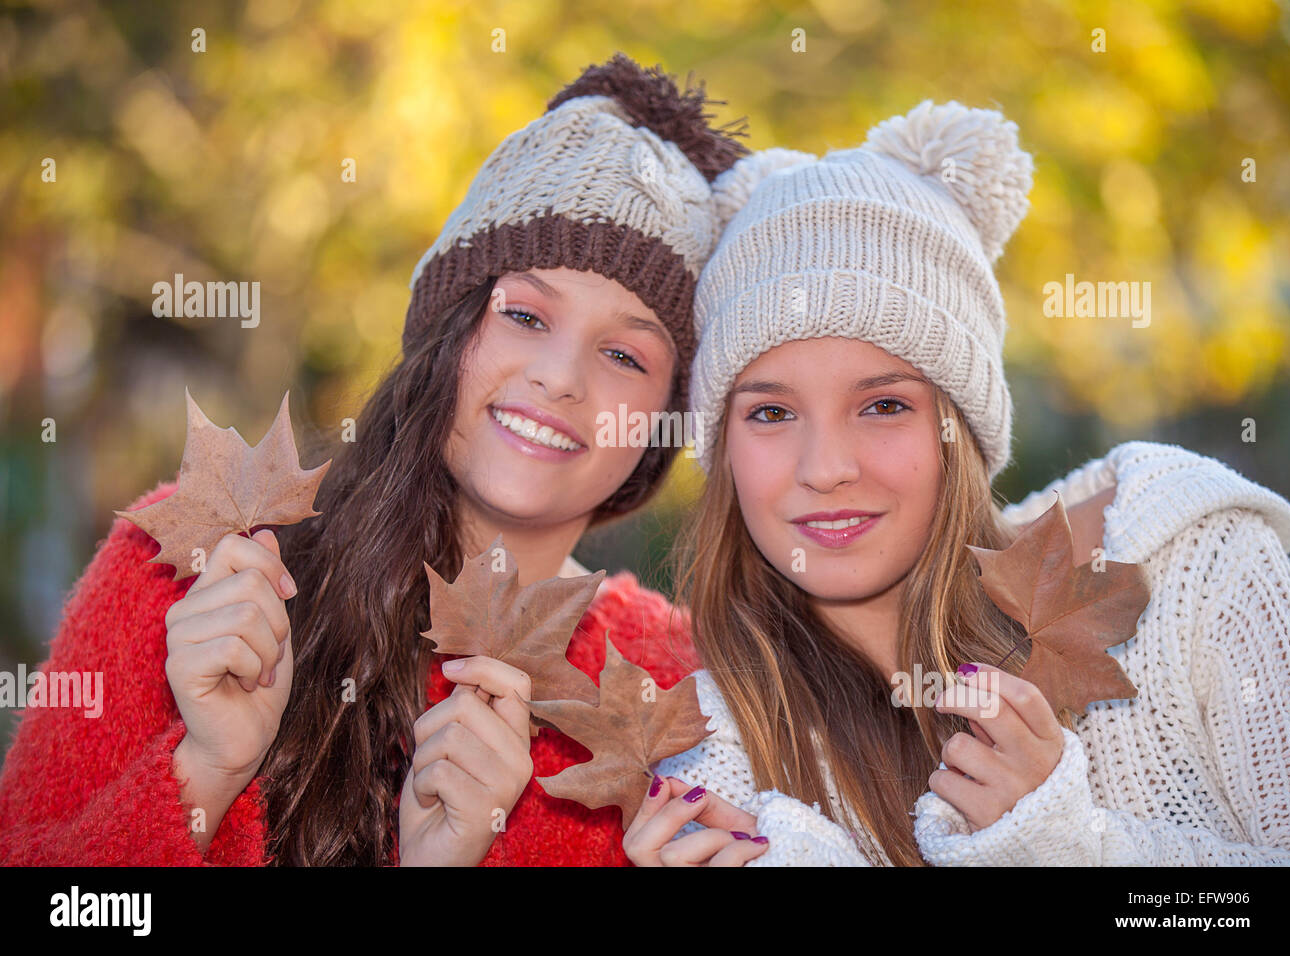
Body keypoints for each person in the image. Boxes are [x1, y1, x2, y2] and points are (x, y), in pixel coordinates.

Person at [0, 53, 749, 866]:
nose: (559, 378)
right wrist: (204, 776)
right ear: (447, 330)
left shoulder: (684, 702)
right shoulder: (201, 566)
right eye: (526, 315)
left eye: (626, 357)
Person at [622, 101, 1290, 866]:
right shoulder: (720, 760)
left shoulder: (1193, 567)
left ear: (962, 428)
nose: (825, 467)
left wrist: (1073, 847)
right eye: (771, 412)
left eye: (883, 405)